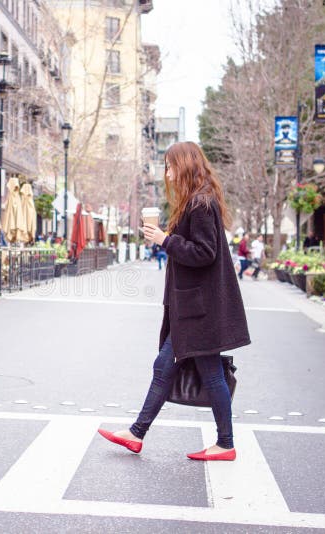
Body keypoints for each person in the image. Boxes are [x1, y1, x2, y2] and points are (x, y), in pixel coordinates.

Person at [98, 141, 250, 461]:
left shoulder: (201, 203)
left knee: (205, 372)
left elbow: (204, 253)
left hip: (199, 309)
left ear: (184, 166)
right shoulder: (195, 201)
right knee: (173, 367)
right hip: (192, 307)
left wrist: (165, 239)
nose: (166, 174)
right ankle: (139, 433)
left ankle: (222, 443)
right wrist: (165, 239)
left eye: (169, 166)